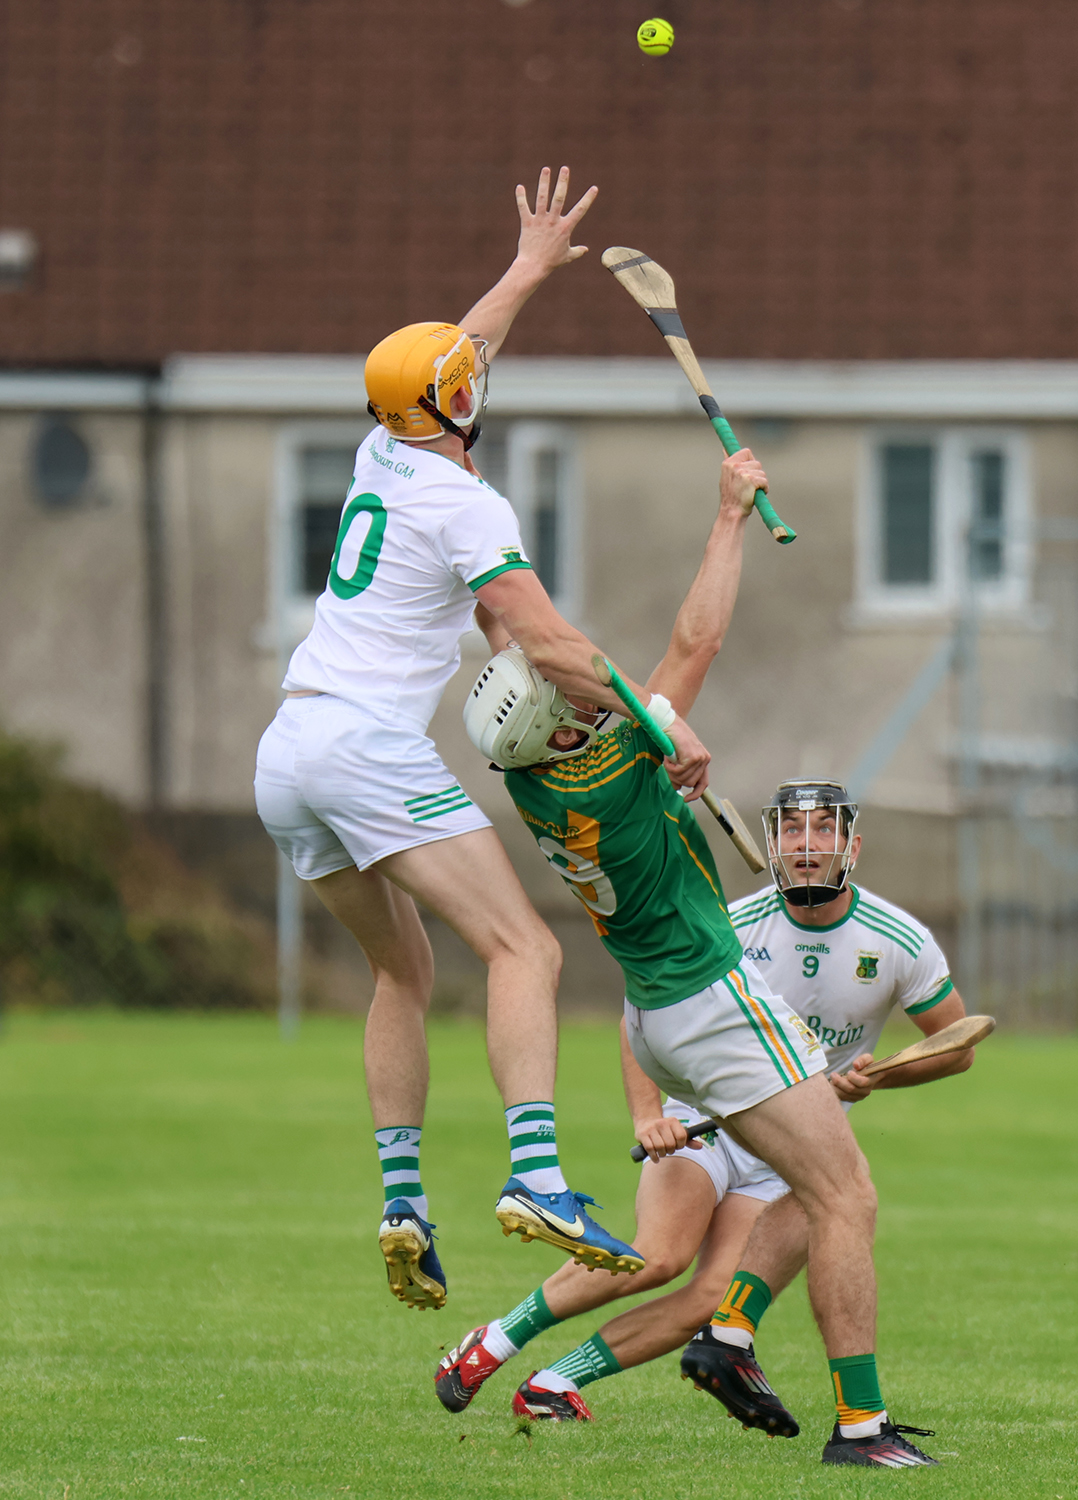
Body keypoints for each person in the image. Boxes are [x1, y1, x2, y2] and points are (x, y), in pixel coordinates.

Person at [253, 167, 712, 1314]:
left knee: (402, 970)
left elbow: (456, 351)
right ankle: (540, 1177)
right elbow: (546, 642)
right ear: (462, 405)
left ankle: (404, 1202)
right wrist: (653, 719)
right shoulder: (471, 505)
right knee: (528, 953)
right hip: (366, 750)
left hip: (287, 754)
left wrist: (527, 263)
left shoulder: (382, 451)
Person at [460, 443, 942, 1466]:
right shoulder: (614, 763)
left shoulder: (538, 774)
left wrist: (471, 515)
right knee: (842, 1195)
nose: (582, 678)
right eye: (568, 686)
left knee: (780, 1207)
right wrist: (728, 515)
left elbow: (506, 625)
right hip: (713, 1001)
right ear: (558, 723)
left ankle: (714, 1337)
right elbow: (698, 637)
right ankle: (860, 1427)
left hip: (654, 1015)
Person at [433, 790, 970, 1476]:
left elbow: (956, 1042)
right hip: (700, 1128)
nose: (807, 845)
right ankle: (493, 1343)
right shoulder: (731, 925)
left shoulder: (898, 940)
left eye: (824, 831)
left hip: (789, 1154)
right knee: (659, 1255)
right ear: (772, 846)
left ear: (852, 848)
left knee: (715, 1300)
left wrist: (881, 1077)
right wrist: (646, 1115)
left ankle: (552, 1385)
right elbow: (647, 1006)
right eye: (793, 831)